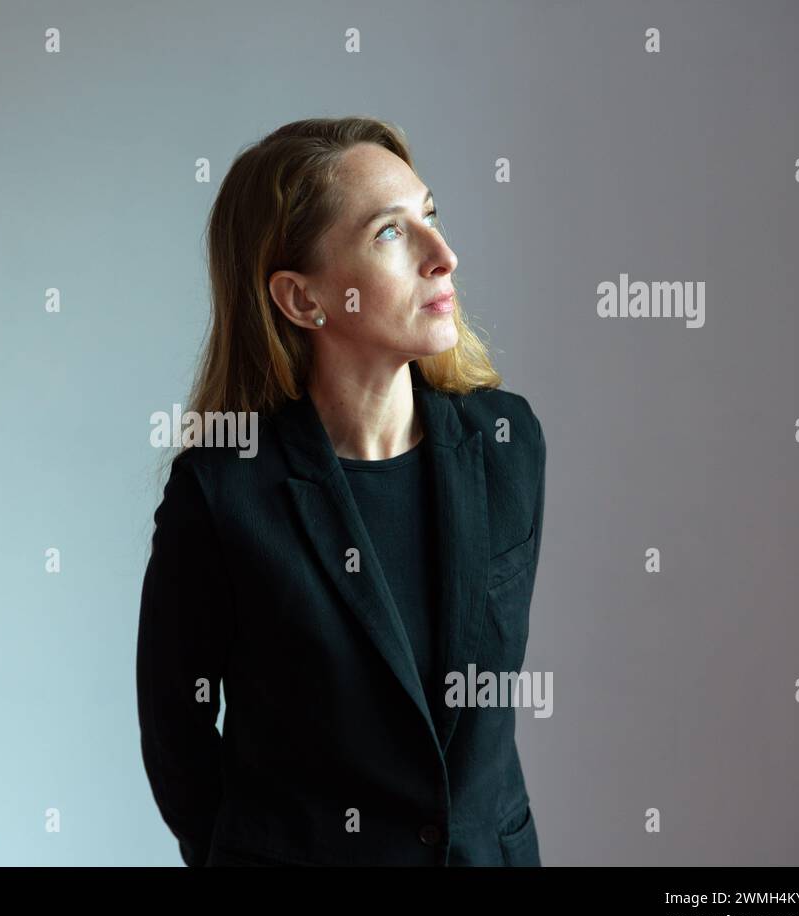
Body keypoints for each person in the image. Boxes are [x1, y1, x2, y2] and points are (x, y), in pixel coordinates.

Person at [136, 117, 546, 866]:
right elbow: (177, 742)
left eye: (430, 215)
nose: (443, 256)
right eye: (391, 233)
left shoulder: (507, 444)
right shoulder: (223, 493)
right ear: (301, 299)